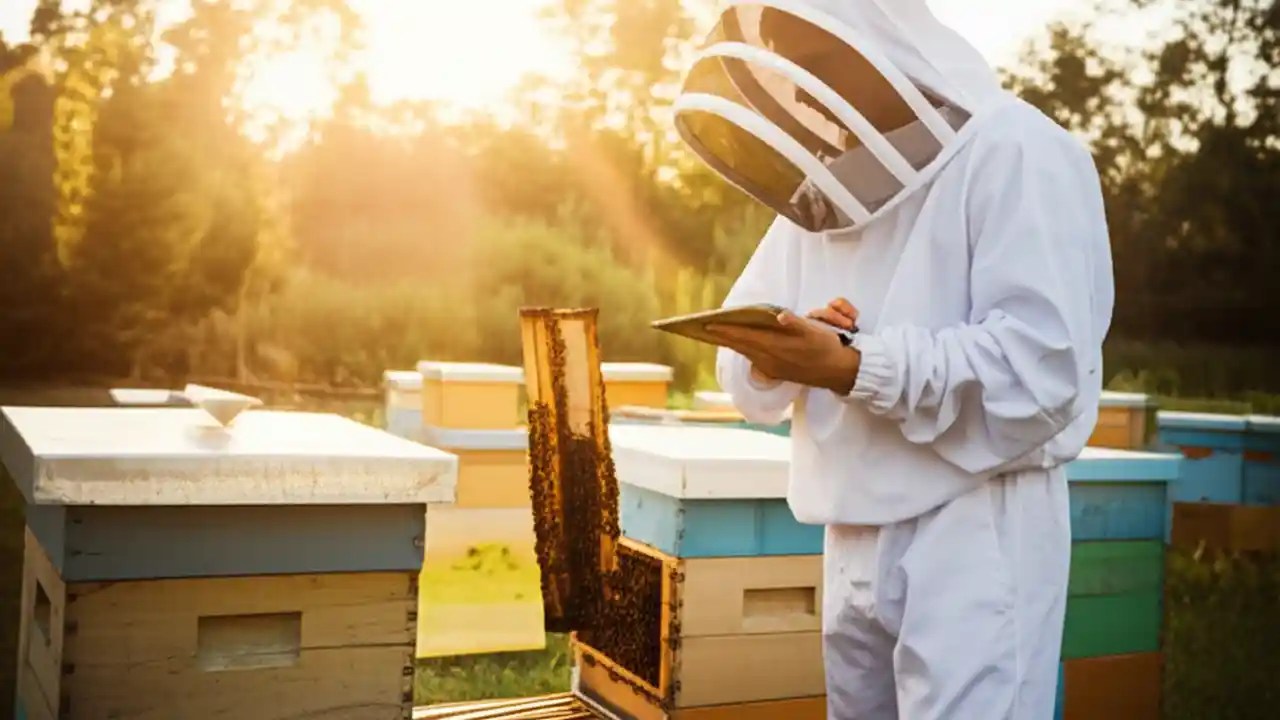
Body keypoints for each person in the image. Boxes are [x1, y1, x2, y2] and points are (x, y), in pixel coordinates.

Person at [671, 1, 1114, 718]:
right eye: (786, 71)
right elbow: (740, 349)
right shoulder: (828, 185)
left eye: (814, 65)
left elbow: (1042, 369)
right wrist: (780, 352)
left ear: (876, 37)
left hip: (975, 524)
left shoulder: (1016, 148)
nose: (805, 93)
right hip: (849, 525)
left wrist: (851, 365)